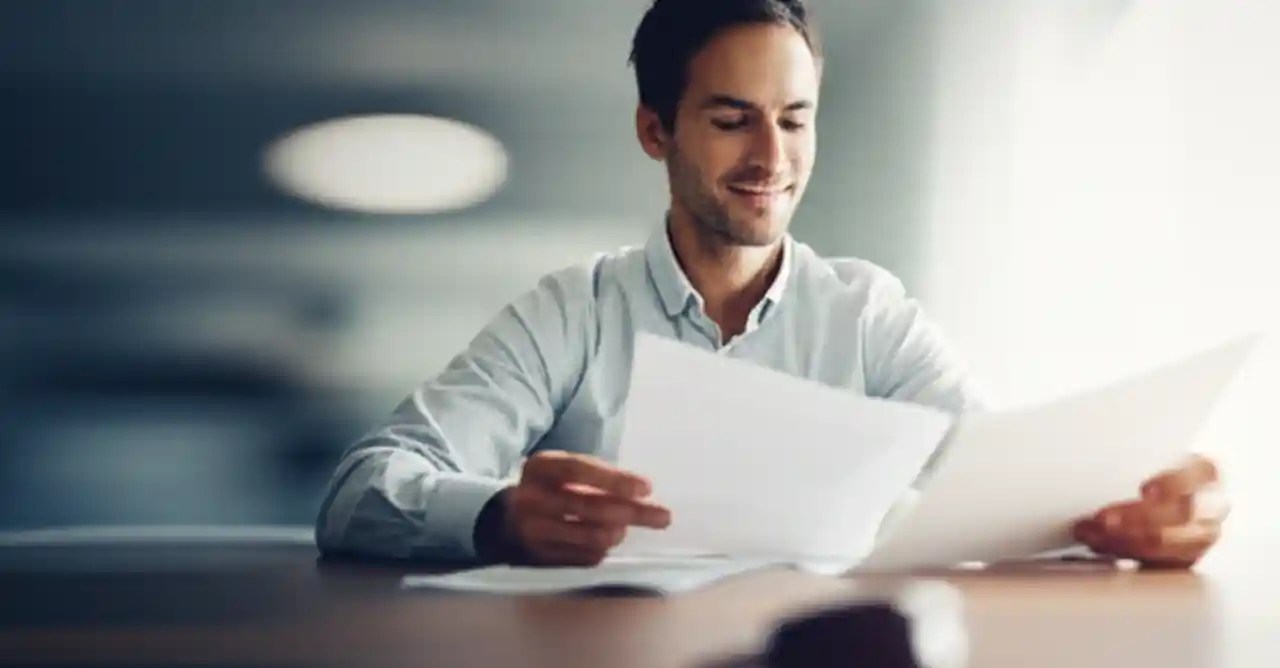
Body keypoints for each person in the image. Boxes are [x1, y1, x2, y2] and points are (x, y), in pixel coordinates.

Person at [315, 0, 1228, 569]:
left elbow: (996, 482)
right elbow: (362, 488)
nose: (772, 159)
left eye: (796, 120)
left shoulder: (867, 316)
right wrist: (500, 518)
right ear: (654, 129)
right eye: (731, 120)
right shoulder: (573, 313)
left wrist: (1145, 512)